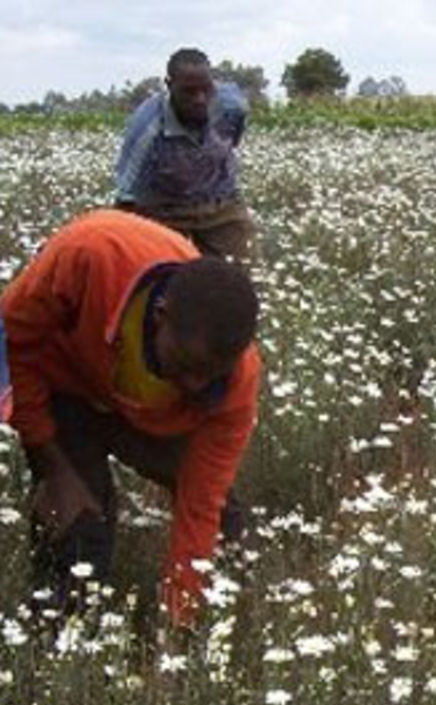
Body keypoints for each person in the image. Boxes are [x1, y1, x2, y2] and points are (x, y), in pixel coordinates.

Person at [1, 209, 261, 626]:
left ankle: (222, 623)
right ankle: (54, 639)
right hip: (67, 390)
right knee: (81, 530)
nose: (196, 384)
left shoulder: (232, 383)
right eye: (186, 364)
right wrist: (51, 464)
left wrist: (179, 621)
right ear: (160, 315)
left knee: (220, 525)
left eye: (210, 374)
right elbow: (11, 339)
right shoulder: (89, 255)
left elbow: (200, 502)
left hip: (151, 416)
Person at [114, 47, 254, 262]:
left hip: (220, 202)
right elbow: (127, 196)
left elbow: (232, 142)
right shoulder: (147, 129)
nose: (200, 99)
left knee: (235, 278)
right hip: (165, 210)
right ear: (169, 86)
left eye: (206, 89)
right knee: (163, 280)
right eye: (189, 91)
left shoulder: (232, 106)